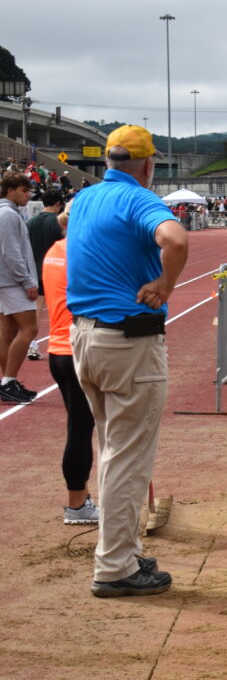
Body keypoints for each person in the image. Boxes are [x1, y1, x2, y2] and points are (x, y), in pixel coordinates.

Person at [67, 125, 188, 597]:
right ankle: (115, 566)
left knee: (113, 449)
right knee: (127, 457)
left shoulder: (84, 200)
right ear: (147, 165)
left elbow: (64, 231)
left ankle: (123, 548)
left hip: (86, 338)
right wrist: (164, 285)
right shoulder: (139, 201)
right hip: (127, 343)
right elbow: (175, 241)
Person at [42, 203, 99, 524]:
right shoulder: (84, 252)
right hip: (80, 348)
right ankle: (77, 506)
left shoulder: (55, 249)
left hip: (58, 351)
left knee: (79, 427)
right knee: (82, 429)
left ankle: (80, 501)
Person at [0, 172, 39, 404]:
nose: (28, 195)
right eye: (24, 191)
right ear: (9, 191)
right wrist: (27, 281)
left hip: (6, 280)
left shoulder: (8, 213)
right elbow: (11, 252)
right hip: (12, 281)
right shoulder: (7, 215)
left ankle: (8, 381)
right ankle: (8, 381)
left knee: (8, 332)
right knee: (30, 329)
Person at [25, 189, 65, 361]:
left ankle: (32, 345)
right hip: (56, 271)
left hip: (34, 272)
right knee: (60, 310)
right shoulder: (59, 223)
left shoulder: (30, 223)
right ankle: (61, 344)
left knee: (36, 310)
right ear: (59, 204)